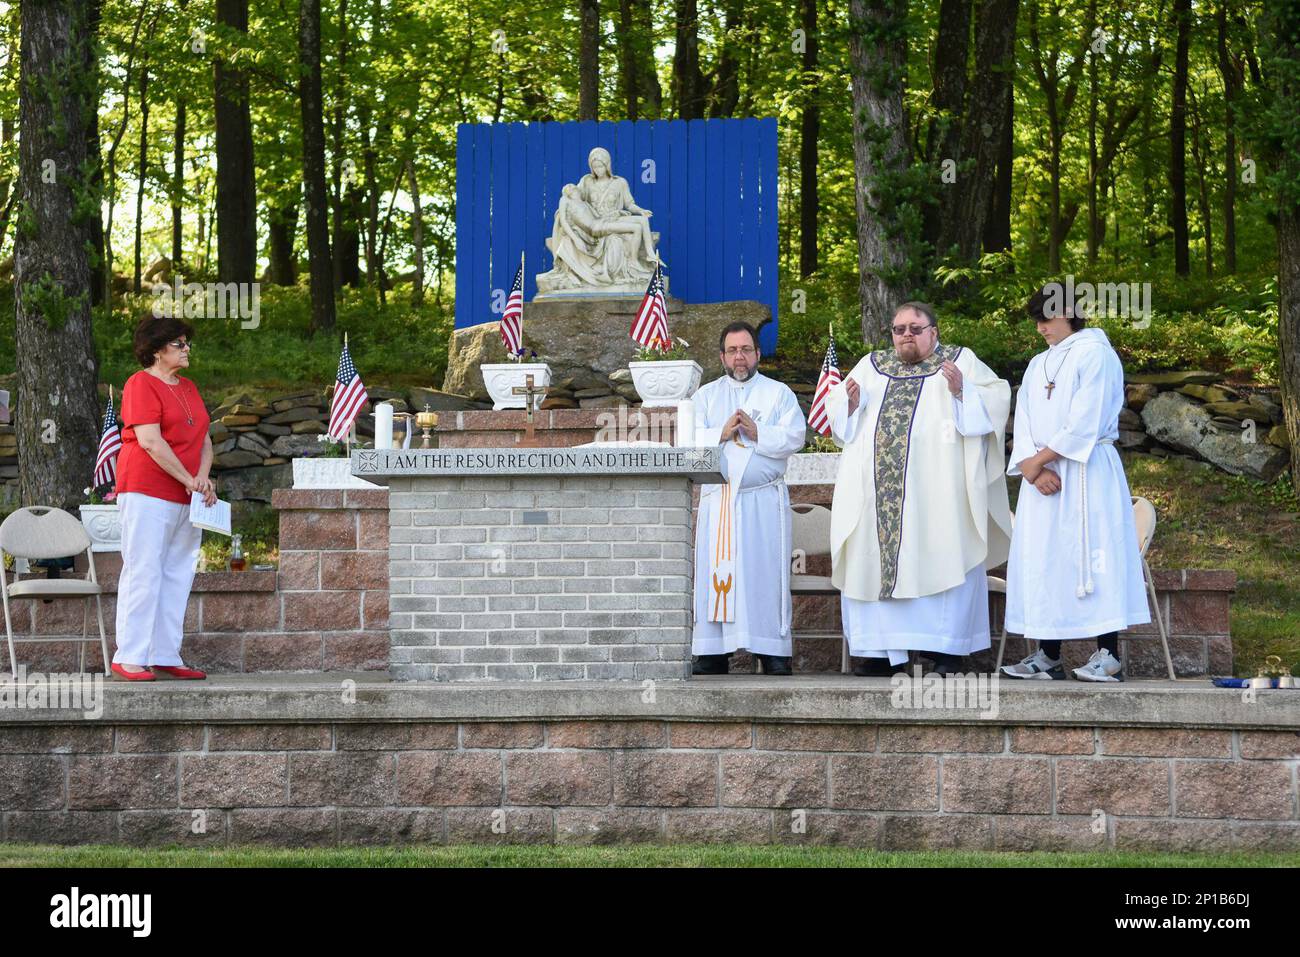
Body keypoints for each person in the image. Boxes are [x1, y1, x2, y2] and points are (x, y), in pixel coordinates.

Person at [825, 302, 1012, 676]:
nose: (906, 335)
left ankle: (945, 653)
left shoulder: (961, 361)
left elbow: (995, 400)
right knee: (874, 564)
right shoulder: (871, 365)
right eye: (899, 329)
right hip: (876, 497)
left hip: (939, 496)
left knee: (944, 555)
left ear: (934, 331)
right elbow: (840, 418)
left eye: (915, 327)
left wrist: (963, 393)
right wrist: (849, 404)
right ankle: (881, 655)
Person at [1001, 285, 1151, 681]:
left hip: (1087, 473)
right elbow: (1026, 418)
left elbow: (1086, 419)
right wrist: (1032, 469)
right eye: (1035, 321)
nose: (1039, 329)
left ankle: (1109, 655)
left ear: (1067, 310)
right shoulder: (1038, 364)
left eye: (1045, 319)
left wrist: (1039, 460)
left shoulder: (1096, 354)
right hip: (1044, 480)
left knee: (1094, 554)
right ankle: (1047, 656)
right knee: (1047, 559)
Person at [691, 321, 807, 675]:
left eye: (745, 350)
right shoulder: (705, 396)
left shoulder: (779, 393)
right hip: (720, 501)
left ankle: (771, 649)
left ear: (758, 353)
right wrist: (720, 433)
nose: (739, 357)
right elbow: (689, 440)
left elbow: (796, 436)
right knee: (715, 574)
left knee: (763, 574)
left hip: (762, 504)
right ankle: (712, 651)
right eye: (732, 350)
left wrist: (759, 432)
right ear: (721, 356)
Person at [111, 315, 216, 681]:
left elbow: (204, 439)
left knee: (178, 572)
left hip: (187, 493)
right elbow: (151, 441)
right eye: (179, 344)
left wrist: (201, 479)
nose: (187, 349)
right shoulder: (140, 384)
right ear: (156, 350)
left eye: (187, 343)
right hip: (147, 489)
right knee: (144, 569)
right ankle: (129, 655)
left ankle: (165, 652)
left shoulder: (188, 388)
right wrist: (189, 479)